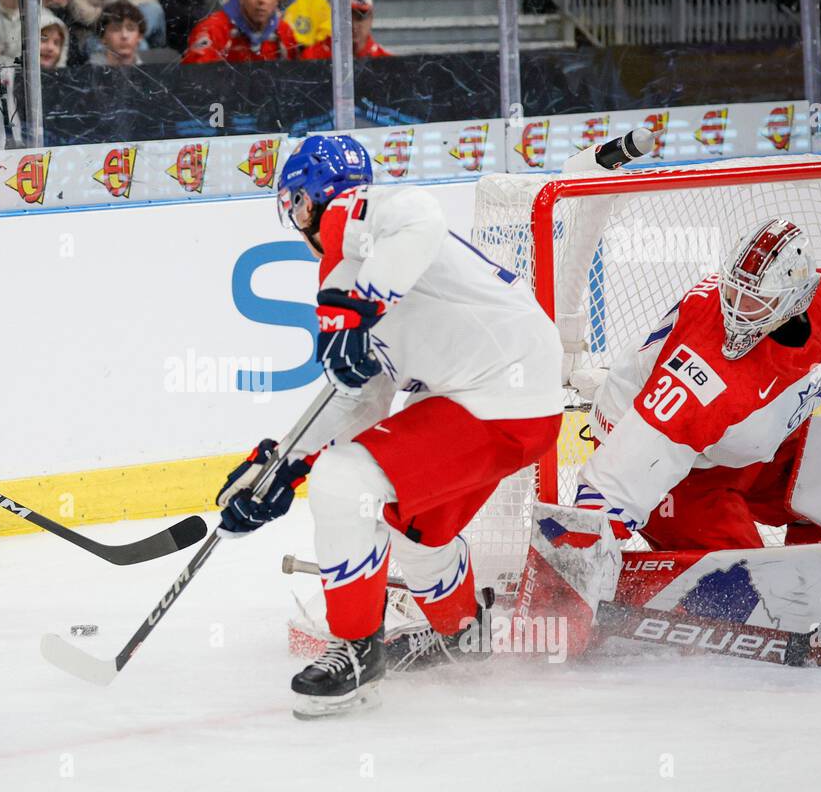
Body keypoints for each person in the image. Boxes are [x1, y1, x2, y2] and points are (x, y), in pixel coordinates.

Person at [214, 135, 563, 718]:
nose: (299, 219)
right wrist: (282, 464)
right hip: (497, 407)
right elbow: (360, 399)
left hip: (501, 396)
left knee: (345, 481)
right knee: (410, 525)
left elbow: (421, 216)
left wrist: (356, 308)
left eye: (297, 203)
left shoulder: (356, 219)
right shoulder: (367, 267)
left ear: (310, 198)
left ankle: (355, 651)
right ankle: (462, 635)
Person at [575, 219, 821, 553]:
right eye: (732, 292)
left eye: (755, 302)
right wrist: (580, 549)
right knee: (744, 590)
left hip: (749, 443)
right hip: (674, 467)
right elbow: (620, 476)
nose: (737, 313)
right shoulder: (704, 373)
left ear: (798, 299)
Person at [181, 0, 296, 64]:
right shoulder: (213, 28)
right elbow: (194, 77)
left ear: (276, 1)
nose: (261, 0)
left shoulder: (284, 31)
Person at [301, 0, 389, 60]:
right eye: (346, 18)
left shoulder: (385, 60)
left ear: (371, 19)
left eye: (360, 18)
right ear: (334, 20)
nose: (354, 25)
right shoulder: (311, 56)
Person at [88, 0, 143, 66]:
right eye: (115, 29)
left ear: (140, 37)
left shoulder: (149, 71)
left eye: (131, 29)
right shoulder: (90, 73)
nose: (124, 35)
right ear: (103, 37)